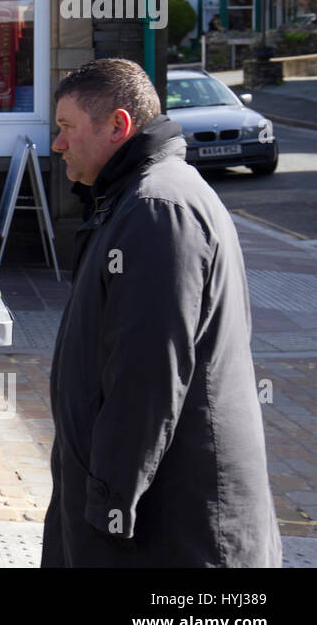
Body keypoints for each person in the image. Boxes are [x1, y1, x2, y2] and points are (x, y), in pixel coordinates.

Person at [42, 58, 281, 567]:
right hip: (155, 517)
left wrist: (108, 508)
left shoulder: (156, 209)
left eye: (66, 128)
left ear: (118, 127)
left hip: (169, 529)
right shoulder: (135, 198)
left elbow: (147, 377)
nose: (57, 144)